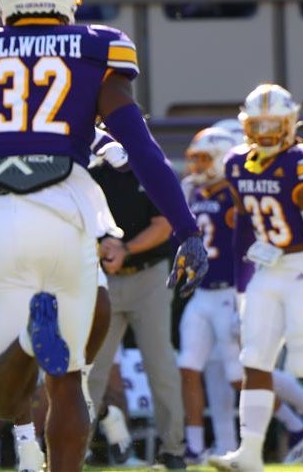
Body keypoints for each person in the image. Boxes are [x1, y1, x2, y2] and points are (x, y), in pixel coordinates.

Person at [0, 0, 208, 472]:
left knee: (4, 399)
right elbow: (141, 148)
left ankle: (28, 341)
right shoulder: (97, 47)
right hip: (72, 214)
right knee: (69, 378)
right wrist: (187, 228)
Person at [209, 84, 303, 470]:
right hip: (267, 270)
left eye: (274, 124)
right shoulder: (237, 163)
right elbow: (242, 223)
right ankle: (250, 454)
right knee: (253, 359)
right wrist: (243, 283)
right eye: (259, 124)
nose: (266, 132)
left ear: (291, 124)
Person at [87, 131, 187, 468]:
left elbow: (163, 225)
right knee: (92, 369)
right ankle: (74, 447)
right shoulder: (89, 170)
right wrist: (104, 247)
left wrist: (124, 249)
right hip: (104, 276)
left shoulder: (152, 167)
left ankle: (173, 449)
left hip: (149, 275)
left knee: (161, 365)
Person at [178, 127, 243, 463]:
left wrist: (244, 300)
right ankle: (194, 445)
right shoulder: (191, 191)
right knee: (188, 366)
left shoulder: (237, 195)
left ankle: (295, 424)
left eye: (205, 158)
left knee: (238, 378)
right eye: (196, 159)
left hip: (230, 292)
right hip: (201, 293)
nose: (198, 166)